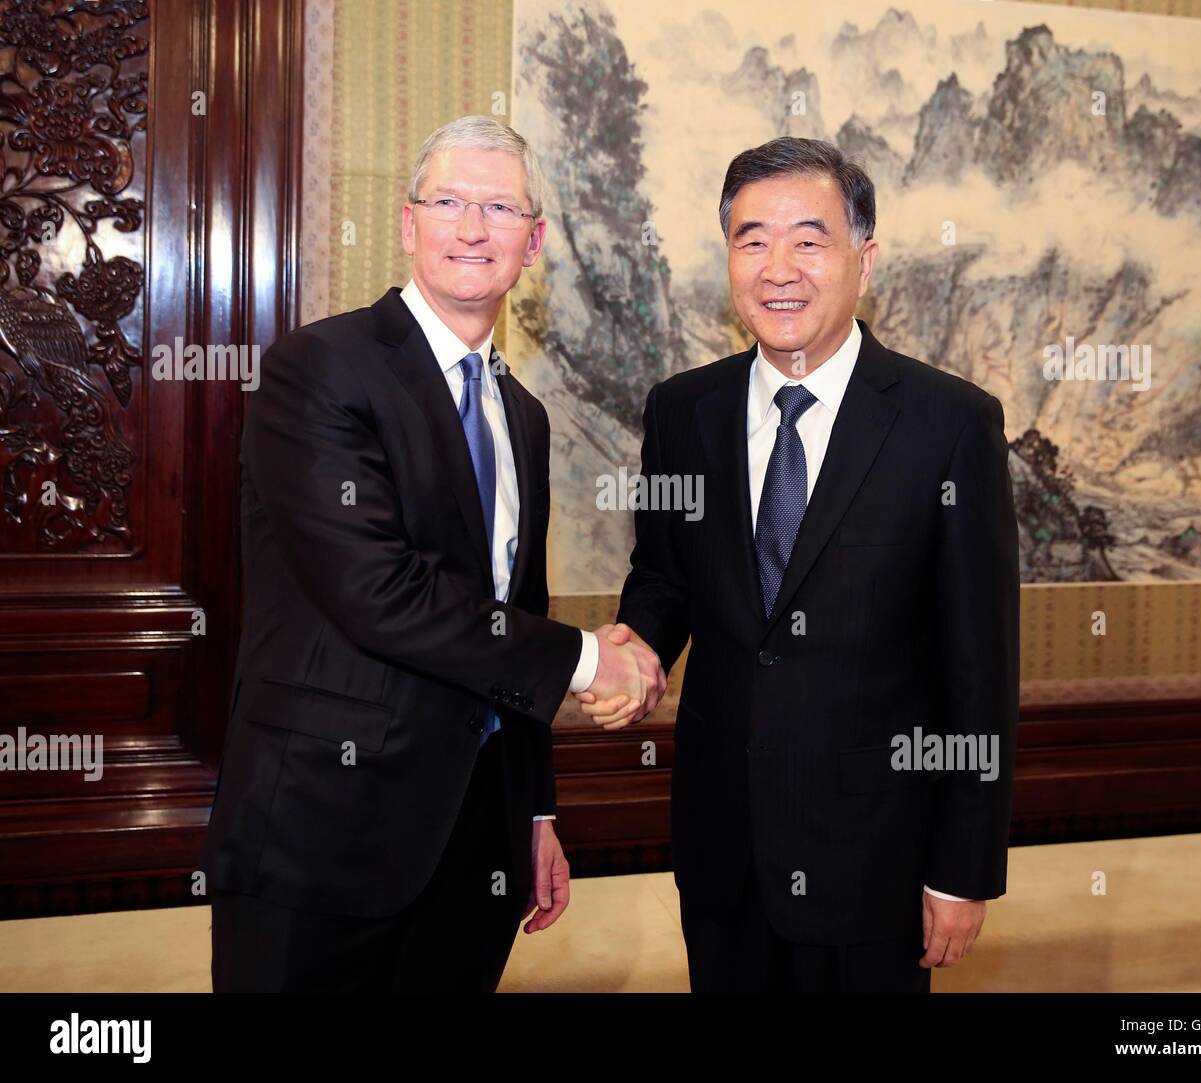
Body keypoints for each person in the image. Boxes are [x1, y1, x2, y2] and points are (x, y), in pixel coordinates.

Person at [202, 116, 662, 992]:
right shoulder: (318, 369)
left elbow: (509, 612)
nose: (473, 226)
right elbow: (380, 592)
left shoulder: (520, 417)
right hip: (322, 836)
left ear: (532, 243)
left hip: (476, 841)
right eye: (449, 201)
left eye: (499, 207)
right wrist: (589, 659)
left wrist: (533, 808)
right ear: (410, 226)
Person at [580, 136, 1020, 992]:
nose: (778, 266)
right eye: (752, 240)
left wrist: (965, 865)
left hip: (877, 865)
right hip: (723, 855)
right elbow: (665, 576)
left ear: (865, 257)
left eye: (809, 239)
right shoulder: (682, 412)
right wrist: (638, 646)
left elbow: (981, 667)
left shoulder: (950, 425)